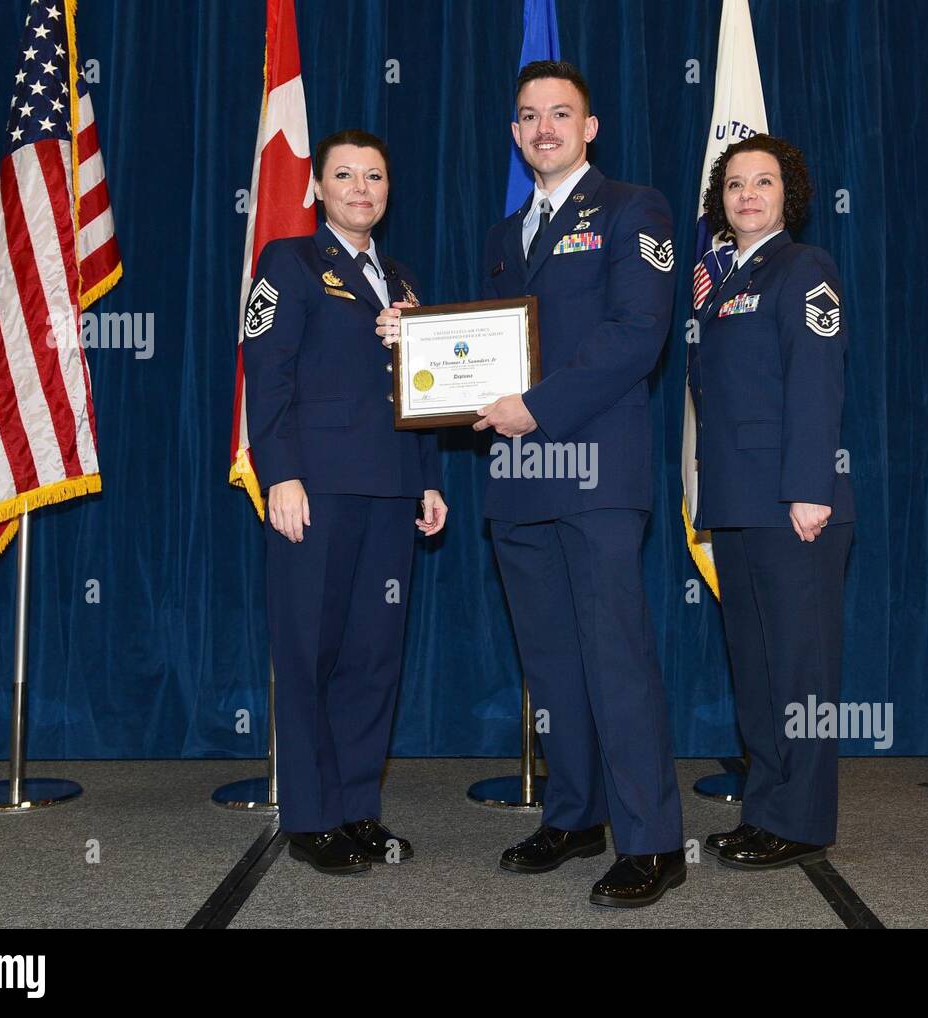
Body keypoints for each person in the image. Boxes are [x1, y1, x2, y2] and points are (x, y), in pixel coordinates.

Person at [381, 60, 684, 908]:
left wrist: (534, 409)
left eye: (561, 113)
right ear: (515, 135)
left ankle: (654, 840)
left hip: (593, 474)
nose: (543, 127)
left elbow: (637, 336)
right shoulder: (502, 236)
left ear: (590, 128)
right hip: (516, 482)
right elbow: (480, 356)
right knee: (550, 666)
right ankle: (576, 813)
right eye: (528, 116)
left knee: (615, 660)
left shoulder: (635, 210)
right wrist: (417, 350)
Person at [243, 129, 446, 875]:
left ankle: (359, 809)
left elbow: (425, 394)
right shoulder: (290, 263)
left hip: (391, 491)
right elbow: (267, 374)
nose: (362, 188)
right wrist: (281, 474)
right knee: (309, 653)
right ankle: (310, 816)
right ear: (319, 189)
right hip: (317, 491)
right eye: (345, 175)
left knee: (373, 660)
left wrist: (428, 477)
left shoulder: (402, 278)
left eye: (376, 176)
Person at [688, 134, 854, 869]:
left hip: (794, 506)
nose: (748, 195)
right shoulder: (720, 280)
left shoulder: (803, 268)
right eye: (734, 185)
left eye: (763, 182)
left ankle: (804, 818)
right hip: (737, 501)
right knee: (754, 669)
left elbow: (817, 384)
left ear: (791, 194)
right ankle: (766, 809)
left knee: (799, 669)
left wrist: (809, 491)